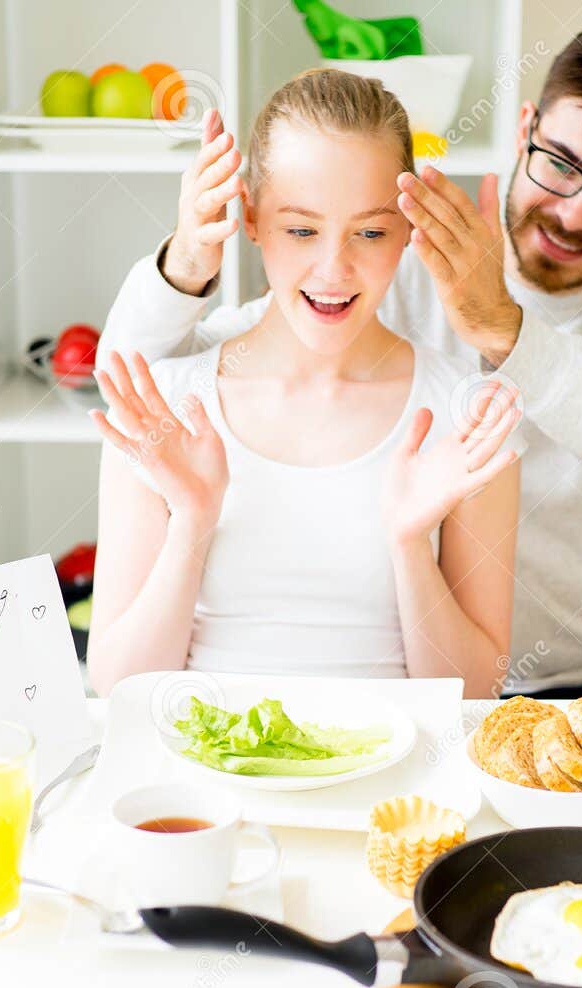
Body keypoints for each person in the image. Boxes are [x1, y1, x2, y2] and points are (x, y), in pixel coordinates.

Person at [99, 16, 582, 700]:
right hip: (437, 679)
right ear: (524, 131)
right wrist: (187, 265)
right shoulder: (412, 241)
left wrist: (508, 332)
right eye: (559, 165)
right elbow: (143, 386)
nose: (574, 213)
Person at [87, 69, 523, 698]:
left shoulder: (467, 415)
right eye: (301, 229)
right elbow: (119, 686)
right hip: (206, 781)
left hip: (395, 788)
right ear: (253, 219)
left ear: (409, 230)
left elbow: (477, 694)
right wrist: (193, 518)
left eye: (370, 232)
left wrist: (409, 546)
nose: (333, 268)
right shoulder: (165, 402)